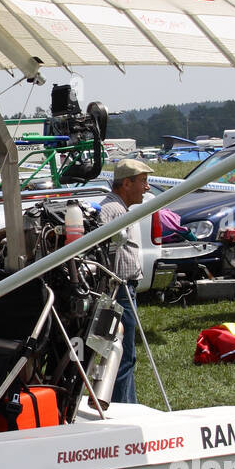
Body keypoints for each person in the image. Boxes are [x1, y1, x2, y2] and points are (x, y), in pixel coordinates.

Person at [98, 158, 153, 404]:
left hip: (120, 288)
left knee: (119, 353)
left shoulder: (115, 208)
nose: (147, 187)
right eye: (143, 181)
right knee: (121, 355)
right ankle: (124, 407)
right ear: (126, 183)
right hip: (119, 289)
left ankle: (124, 403)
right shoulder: (114, 211)